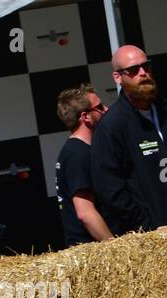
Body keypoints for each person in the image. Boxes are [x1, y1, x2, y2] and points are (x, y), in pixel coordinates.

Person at [92, 46, 167, 235]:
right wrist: (147, 227)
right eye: (134, 70)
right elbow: (110, 188)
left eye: (147, 66)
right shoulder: (112, 125)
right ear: (117, 77)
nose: (143, 73)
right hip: (153, 236)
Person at [55, 84, 112, 246]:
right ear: (85, 117)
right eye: (100, 107)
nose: (107, 110)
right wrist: (116, 248)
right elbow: (85, 213)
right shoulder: (77, 153)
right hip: (90, 251)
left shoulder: (80, 150)